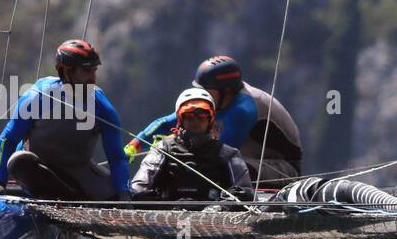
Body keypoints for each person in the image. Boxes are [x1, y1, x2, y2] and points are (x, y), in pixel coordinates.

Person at [127, 55, 302, 185]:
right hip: (249, 158)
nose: (202, 97)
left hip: (281, 169)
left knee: (230, 168)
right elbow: (165, 123)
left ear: (227, 91)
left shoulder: (243, 110)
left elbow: (220, 155)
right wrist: (133, 147)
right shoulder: (216, 101)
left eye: (207, 92)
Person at [0, 39, 131, 201]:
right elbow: (8, 139)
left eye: (94, 70)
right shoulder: (38, 96)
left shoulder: (100, 105)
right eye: (86, 71)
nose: (92, 77)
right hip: (37, 170)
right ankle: (72, 199)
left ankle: (74, 198)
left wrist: (124, 193)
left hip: (79, 172)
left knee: (123, 196)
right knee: (19, 161)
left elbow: (116, 157)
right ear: (65, 71)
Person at [130, 88, 253, 201]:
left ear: (210, 120)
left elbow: (244, 193)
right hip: (166, 219)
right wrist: (167, 207)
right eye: (189, 117)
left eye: (202, 117)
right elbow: (138, 188)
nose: (195, 121)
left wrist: (218, 208)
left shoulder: (228, 153)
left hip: (214, 218)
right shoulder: (162, 148)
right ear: (180, 119)